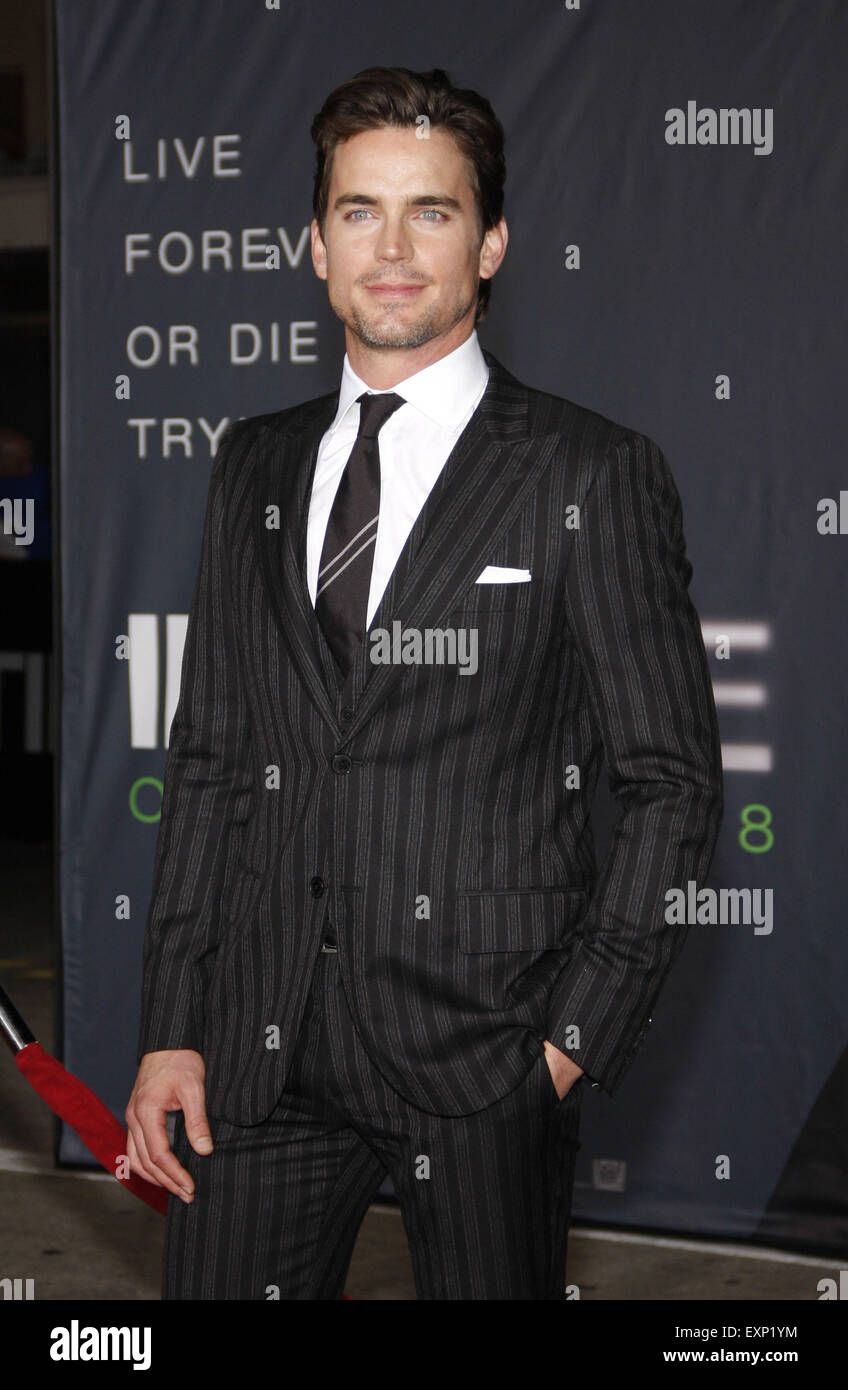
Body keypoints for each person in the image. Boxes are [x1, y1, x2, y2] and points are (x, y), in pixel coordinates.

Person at [126, 65, 723, 1300]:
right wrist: (173, 1026)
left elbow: (670, 784)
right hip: (259, 1049)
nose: (390, 248)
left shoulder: (587, 472)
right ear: (315, 242)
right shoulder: (255, 464)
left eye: (431, 212)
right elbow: (214, 758)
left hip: (481, 1057)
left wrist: (566, 1044)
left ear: (490, 243)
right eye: (358, 210)